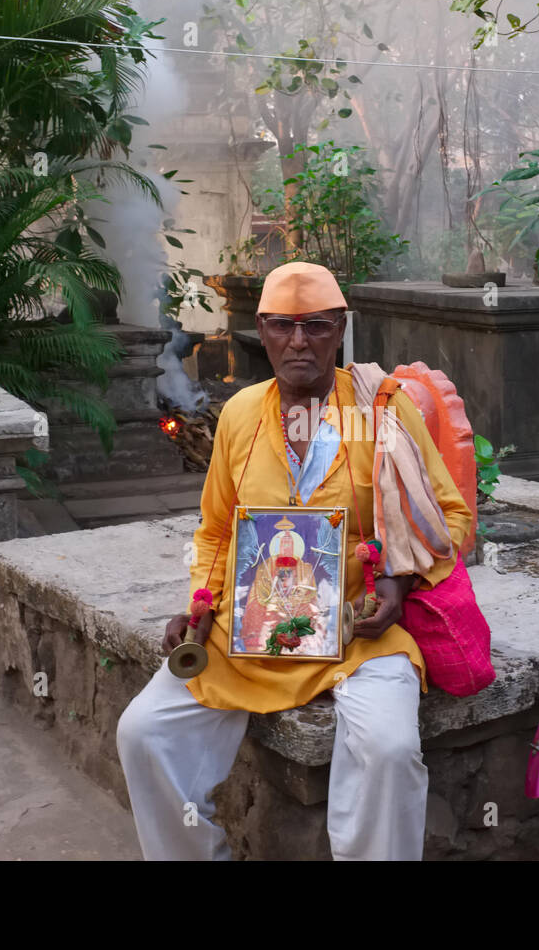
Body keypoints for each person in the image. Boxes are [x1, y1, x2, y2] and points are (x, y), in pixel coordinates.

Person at [116, 261, 472, 860]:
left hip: (360, 634)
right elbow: (214, 530)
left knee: (388, 749)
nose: (299, 342)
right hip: (251, 630)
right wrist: (199, 605)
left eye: (316, 327)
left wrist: (398, 579)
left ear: (340, 330)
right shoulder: (239, 414)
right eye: (283, 327)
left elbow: (451, 518)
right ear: (262, 330)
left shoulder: (382, 410)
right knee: (143, 732)